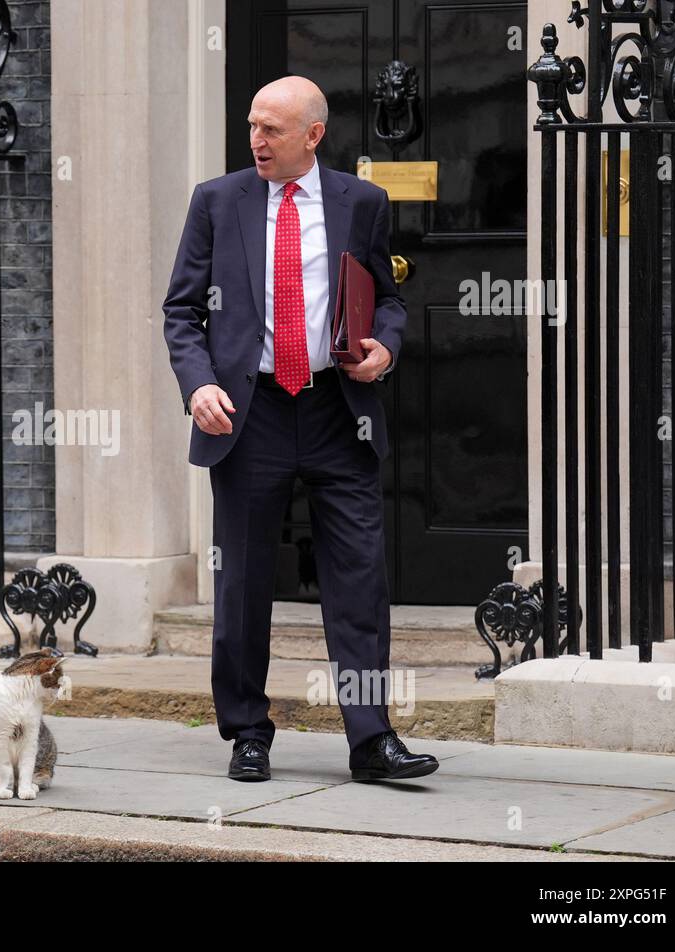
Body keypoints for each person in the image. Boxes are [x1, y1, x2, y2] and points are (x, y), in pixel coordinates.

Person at [162, 76, 438, 784]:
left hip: (335, 414)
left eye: (272, 129)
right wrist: (199, 386)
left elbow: (390, 300)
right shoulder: (216, 202)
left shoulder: (363, 203)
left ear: (313, 135)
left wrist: (384, 345)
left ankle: (371, 740)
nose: (256, 139)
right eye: (252, 125)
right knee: (244, 583)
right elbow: (181, 311)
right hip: (247, 415)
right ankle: (248, 733)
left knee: (358, 581)